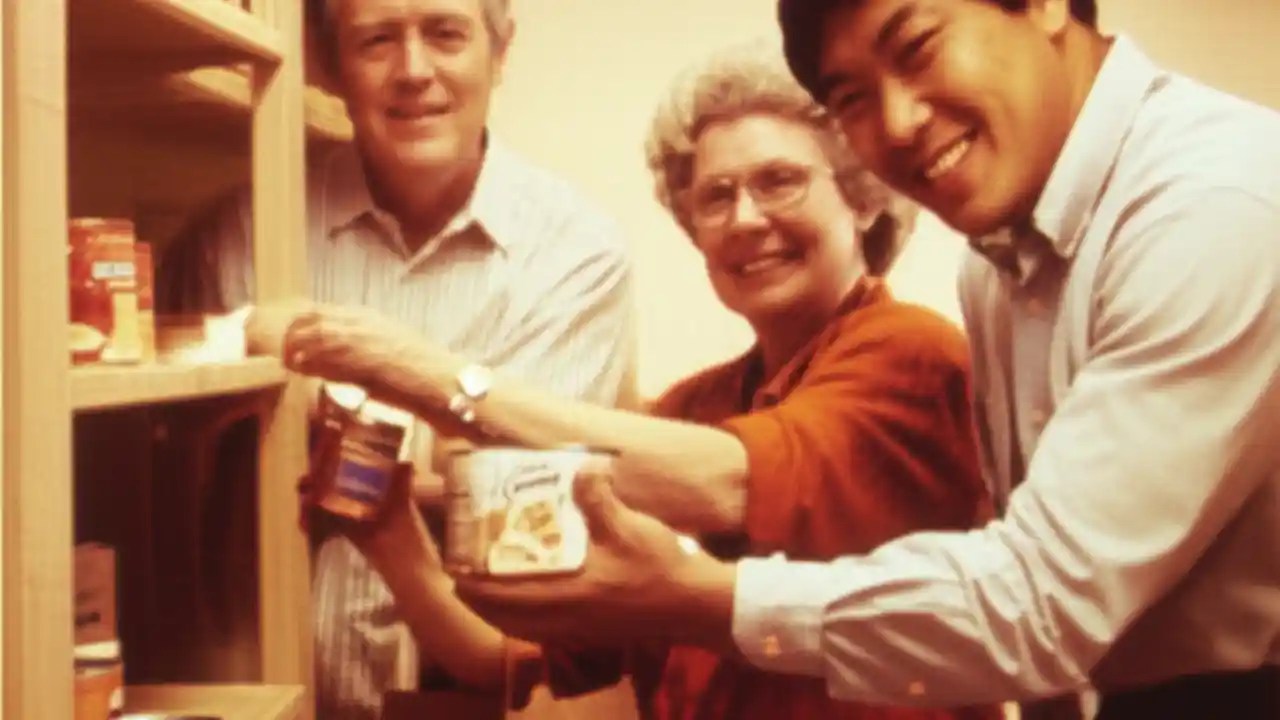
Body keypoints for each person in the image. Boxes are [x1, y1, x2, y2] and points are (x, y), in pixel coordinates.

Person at [446, 1, 1280, 719]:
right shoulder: (995, 266)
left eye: (917, 47)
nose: (901, 120)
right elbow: (529, 651)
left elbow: (1037, 604)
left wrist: (437, 387)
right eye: (715, 197)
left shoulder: (1212, 203)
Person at [264, 39, 1002, 720]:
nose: (744, 219)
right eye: (714, 197)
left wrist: (421, 373)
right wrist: (390, 533)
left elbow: (729, 483)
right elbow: (503, 660)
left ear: (863, 197)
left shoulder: (913, 356)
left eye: (780, 182)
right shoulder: (696, 408)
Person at [158, 0, 636, 718]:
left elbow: (523, 482)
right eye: (377, 40)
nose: (415, 71)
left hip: (478, 698)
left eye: (446, 33)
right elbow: (175, 456)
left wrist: (308, 398)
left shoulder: (577, 255)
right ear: (329, 68)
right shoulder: (237, 236)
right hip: (265, 697)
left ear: (499, 55)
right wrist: (441, 439)